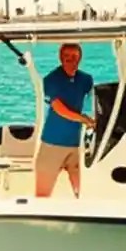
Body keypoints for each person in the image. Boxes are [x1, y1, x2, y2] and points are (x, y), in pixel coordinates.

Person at [35, 42, 95, 197]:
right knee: (42, 194)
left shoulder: (86, 79)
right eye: (66, 56)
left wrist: (94, 121)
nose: (70, 59)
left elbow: (92, 102)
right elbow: (59, 108)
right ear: (60, 58)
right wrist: (84, 120)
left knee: (82, 192)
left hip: (76, 143)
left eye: (74, 56)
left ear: (80, 58)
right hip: (52, 143)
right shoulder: (51, 79)